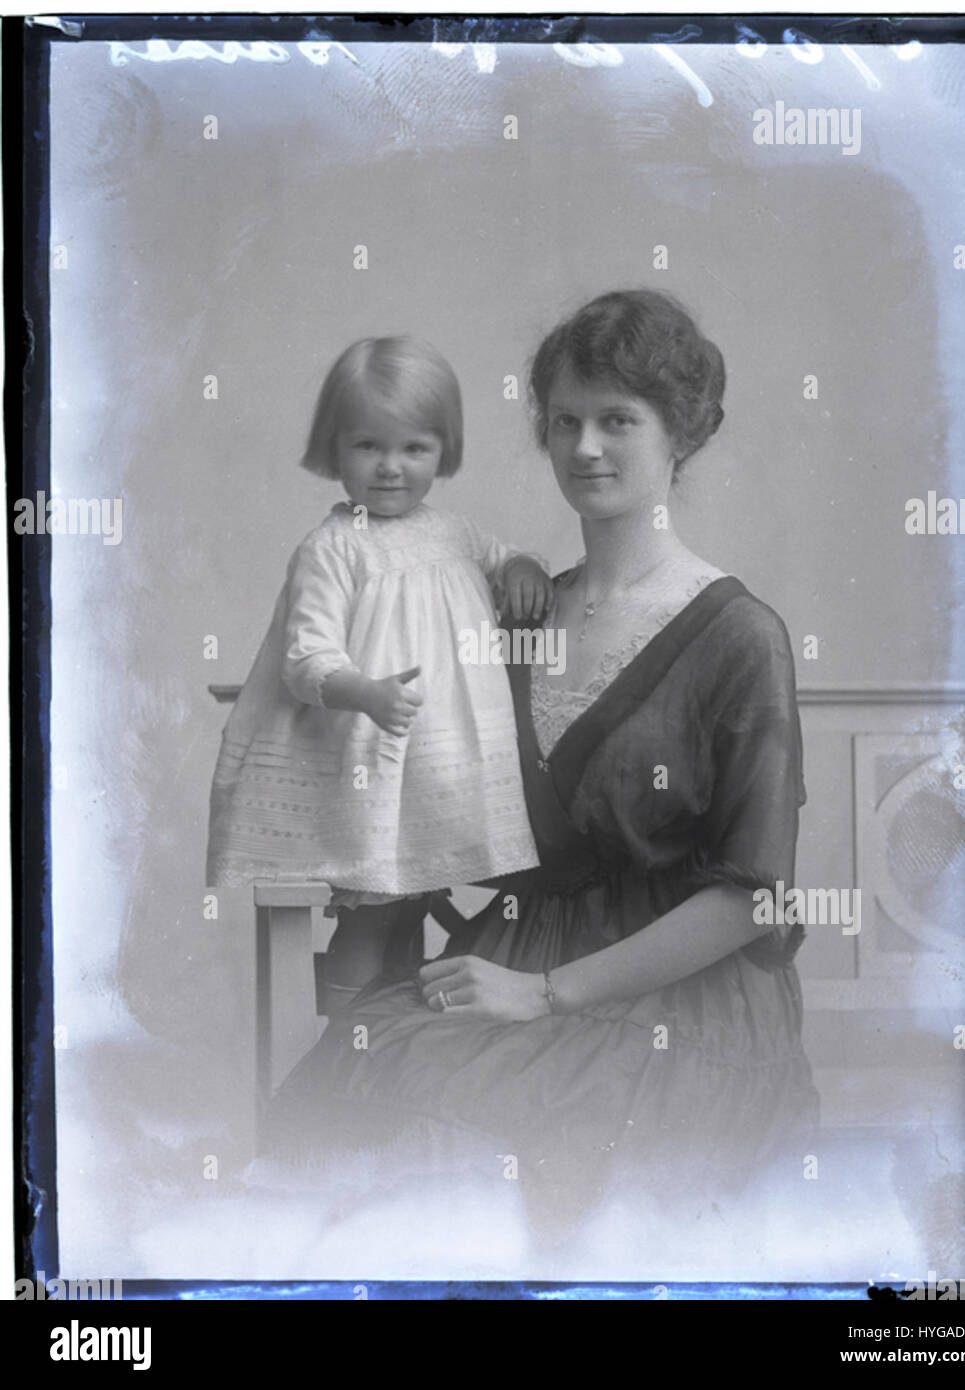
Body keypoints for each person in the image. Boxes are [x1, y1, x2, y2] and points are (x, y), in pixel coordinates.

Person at [267, 290, 819, 1261]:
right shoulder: (509, 613)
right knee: (343, 1090)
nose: (585, 447)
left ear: (678, 434)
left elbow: (748, 901)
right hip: (507, 953)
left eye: (618, 420)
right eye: (563, 421)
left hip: (675, 997)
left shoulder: (739, 636)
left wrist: (546, 993)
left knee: (470, 1134)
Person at [207, 335, 551, 987]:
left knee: (417, 906)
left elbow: (504, 555)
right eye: (368, 445)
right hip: (374, 766)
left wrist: (523, 565)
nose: (390, 467)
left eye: (413, 448)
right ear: (332, 446)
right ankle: (344, 1048)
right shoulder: (332, 550)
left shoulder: (454, 533)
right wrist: (364, 693)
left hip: (441, 769)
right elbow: (304, 660)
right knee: (372, 914)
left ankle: (393, 1043)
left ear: (442, 450)